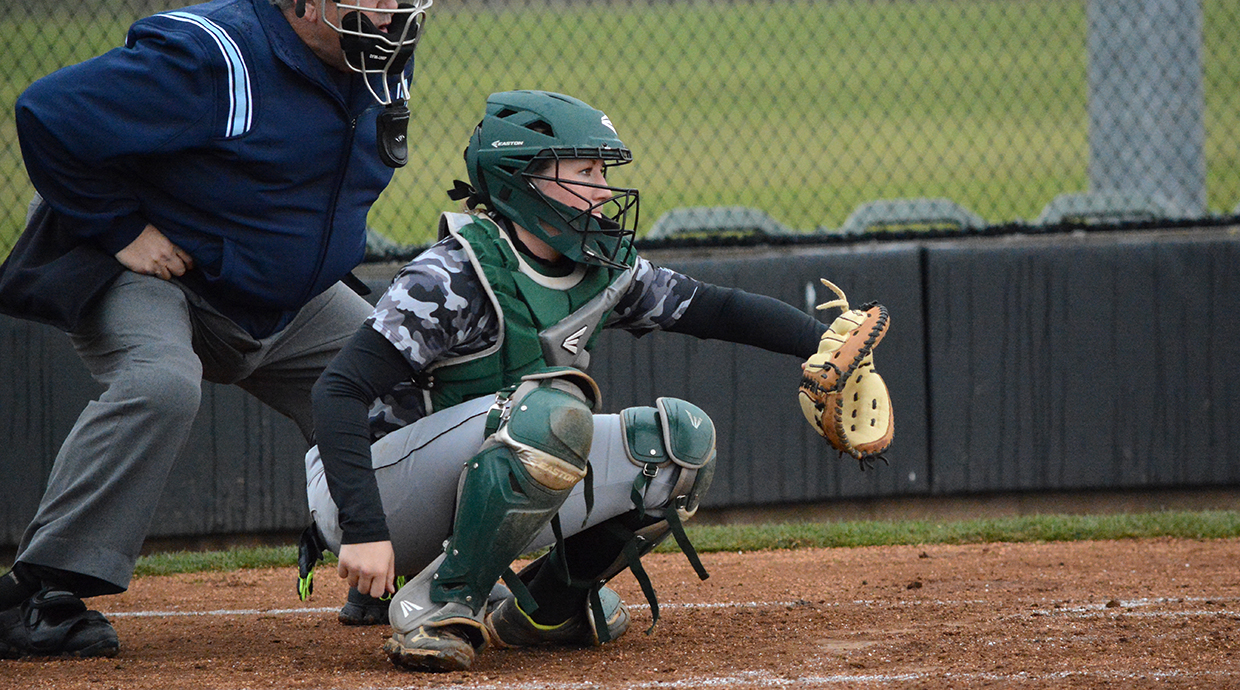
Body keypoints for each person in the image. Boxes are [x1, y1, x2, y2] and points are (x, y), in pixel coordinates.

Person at [300, 89, 846, 672]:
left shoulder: (598, 264)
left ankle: (547, 607)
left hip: (479, 466)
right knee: (547, 415)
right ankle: (437, 605)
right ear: (521, 180)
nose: (605, 190)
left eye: (602, 172)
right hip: (372, 497)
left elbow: (714, 308)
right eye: (585, 172)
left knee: (679, 447)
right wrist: (365, 529)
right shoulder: (451, 275)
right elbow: (337, 392)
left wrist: (829, 348)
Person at [0, 0, 430, 660]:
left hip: (287, 301)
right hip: (167, 278)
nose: (388, 14)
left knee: (400, 377)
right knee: (161, 385)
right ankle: (39, 591)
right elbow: (48, 114)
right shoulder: (214, 56)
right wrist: (119, 228)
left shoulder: (380, 58)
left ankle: (393, 564)